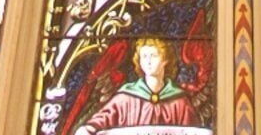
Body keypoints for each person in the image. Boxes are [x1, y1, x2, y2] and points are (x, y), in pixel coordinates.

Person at [70, 38, 200, 135]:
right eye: (144, 57)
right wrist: (87, 130)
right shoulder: (125, 98)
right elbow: (98, 122)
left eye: (153, 56)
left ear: (165, 60)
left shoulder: (180, 101)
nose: (148, 61)